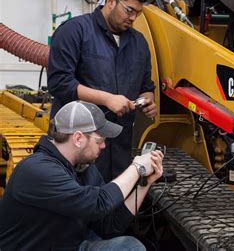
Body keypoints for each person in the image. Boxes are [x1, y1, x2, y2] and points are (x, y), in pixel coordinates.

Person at [0, 100, 163, 251]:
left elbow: (109, 226)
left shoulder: (83, 168)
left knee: (129, 247)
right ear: (78, 138)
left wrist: (144, 184)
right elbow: (99, 203)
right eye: (100, 139)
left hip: (67, 244)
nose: (104, 145)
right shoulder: (37, 170)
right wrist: (136, 168)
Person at [48, 0, 157, 182]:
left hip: (119, 149)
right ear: (111, 1)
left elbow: (145, 85)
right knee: (77, 205)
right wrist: (107, 99)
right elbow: (59, 83)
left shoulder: (139, 43)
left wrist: (148, 100)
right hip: (77, 146)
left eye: (138, 13)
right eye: (129, 10)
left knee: (112, 205)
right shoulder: (74, 31)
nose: (133, 18)